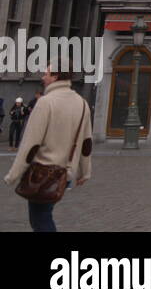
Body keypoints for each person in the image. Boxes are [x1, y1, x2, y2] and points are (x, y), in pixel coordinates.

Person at [4, 70, 92, 232]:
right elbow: (87, 143)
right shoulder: (82, 103)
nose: (43, 77)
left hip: (43, 172)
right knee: (44, 215)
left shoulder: (46, 102)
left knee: (40, 219)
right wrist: (84, 172)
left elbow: (30, 145)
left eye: (47, 73)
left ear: (56, 77)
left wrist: (14, 174)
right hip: (65, 173)